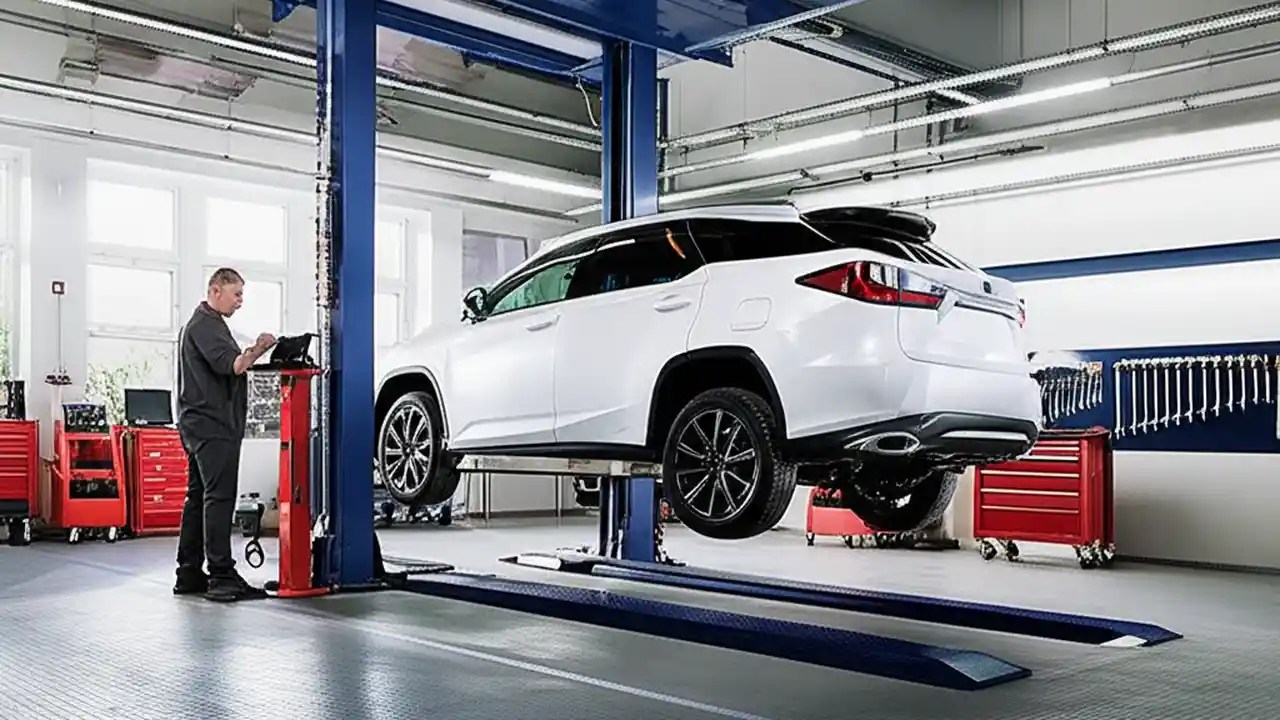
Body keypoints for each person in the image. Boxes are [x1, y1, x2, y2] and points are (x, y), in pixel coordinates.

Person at [173, 268, 277, 602]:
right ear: (215, 291)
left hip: (198, 424)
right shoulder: (206, 324)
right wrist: (259, 348)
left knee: (198, 498)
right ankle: (221, 576)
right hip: (213, 426)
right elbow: (234, 365)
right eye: (236, 294)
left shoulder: (202, 324)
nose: (240, 301)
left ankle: (189, 573)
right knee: (219, 499)